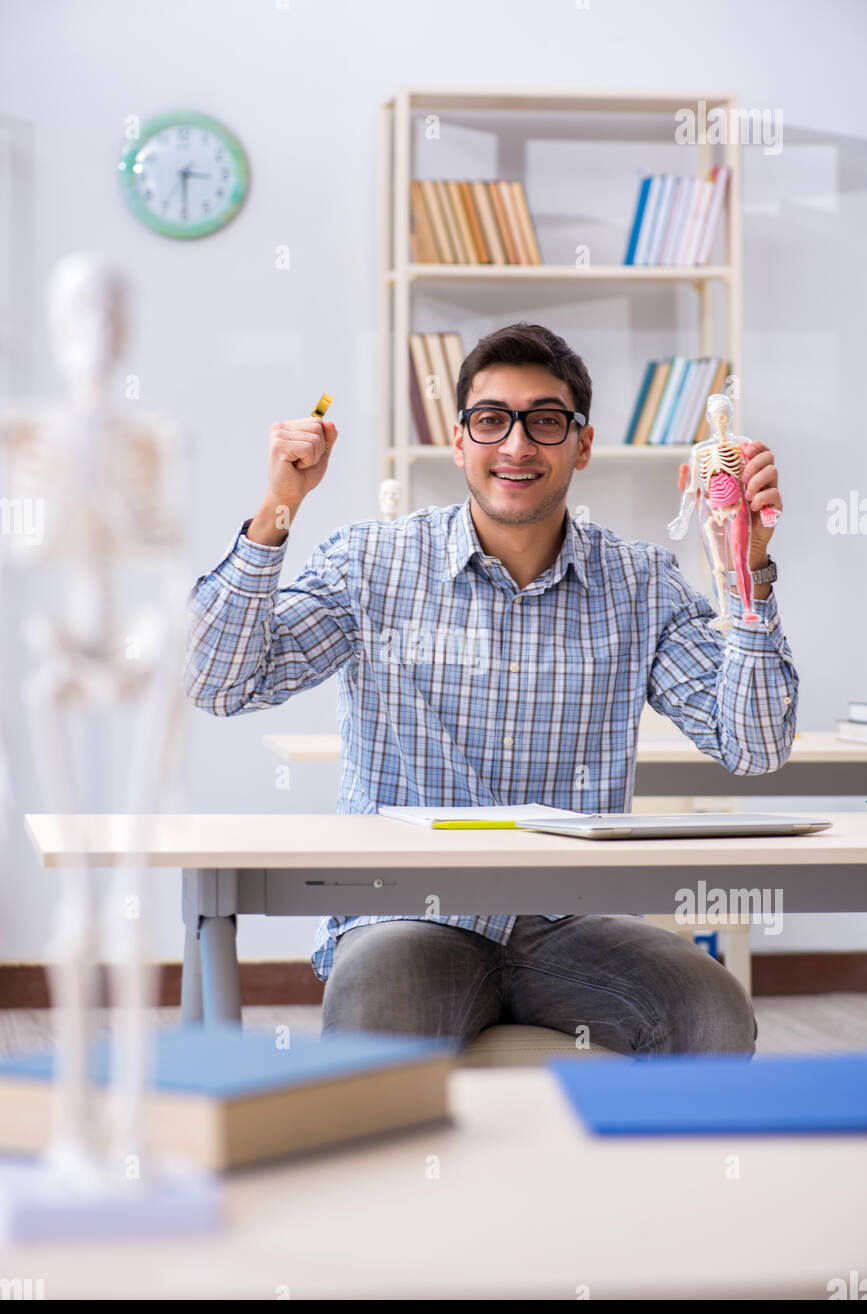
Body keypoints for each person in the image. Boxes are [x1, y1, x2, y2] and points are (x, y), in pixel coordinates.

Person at [184, 322, 795, 1055]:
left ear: (582, 444)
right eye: (490, 421)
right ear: (459, 441)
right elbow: (217, 683)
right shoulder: (372, 564)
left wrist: (744, 562)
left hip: (575, 922)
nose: (515, 446)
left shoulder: (639, 583)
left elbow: (753, 746)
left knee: (712, 1014)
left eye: (544, 422)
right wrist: (280, 501)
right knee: (376, 1042)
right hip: (406, 917)